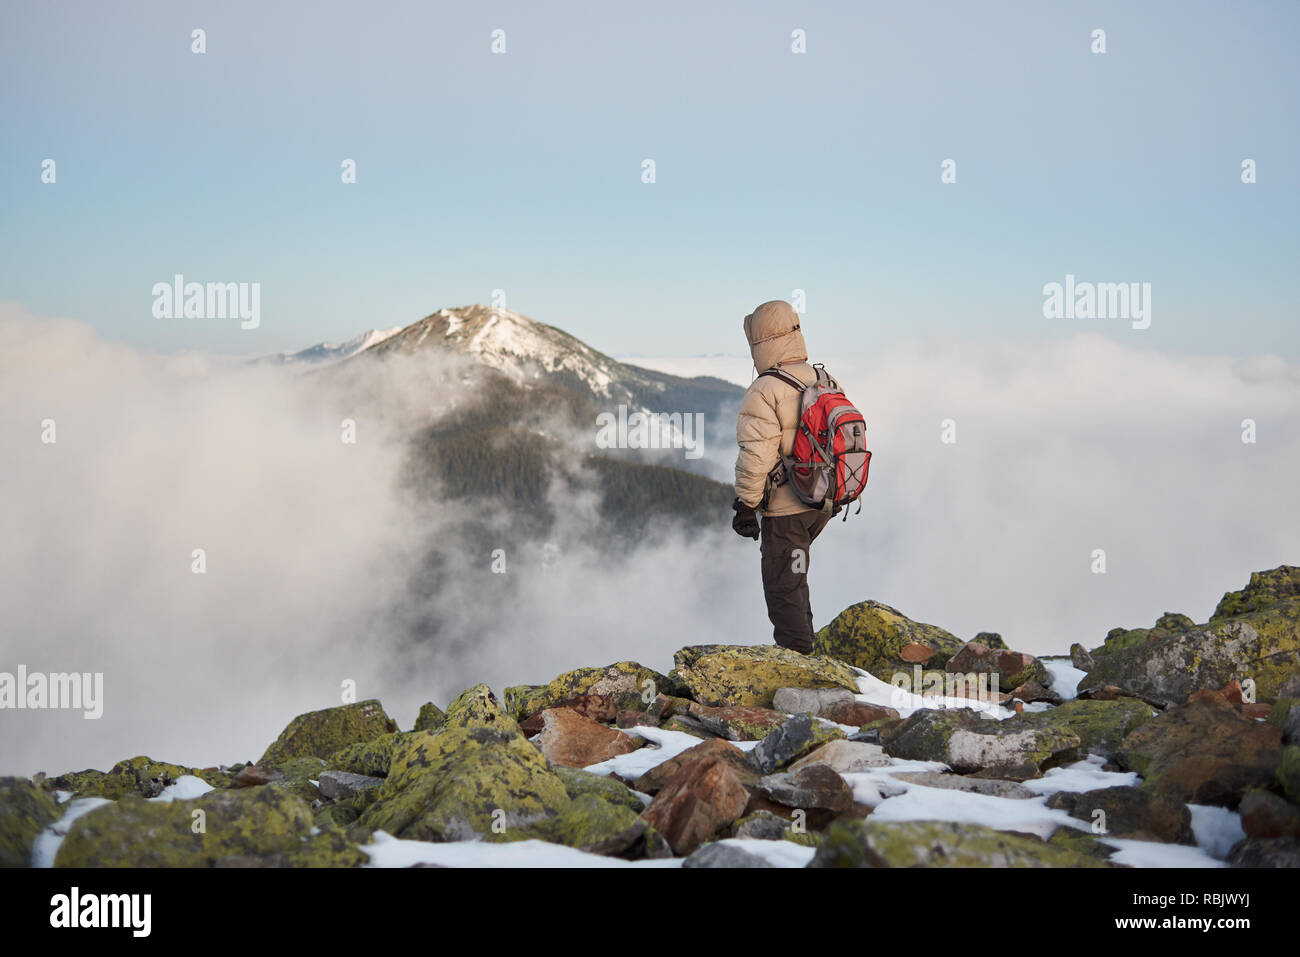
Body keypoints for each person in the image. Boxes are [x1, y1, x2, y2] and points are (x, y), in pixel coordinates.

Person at [731, 300, 832, 655]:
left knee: (782, 585)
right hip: (823, 502)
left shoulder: (765, 389)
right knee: (794, 576)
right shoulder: (824, 378)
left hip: (788, 507)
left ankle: (799, 663)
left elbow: (757, 454)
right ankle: (808, 651)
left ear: (758, 341)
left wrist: (746, 505)